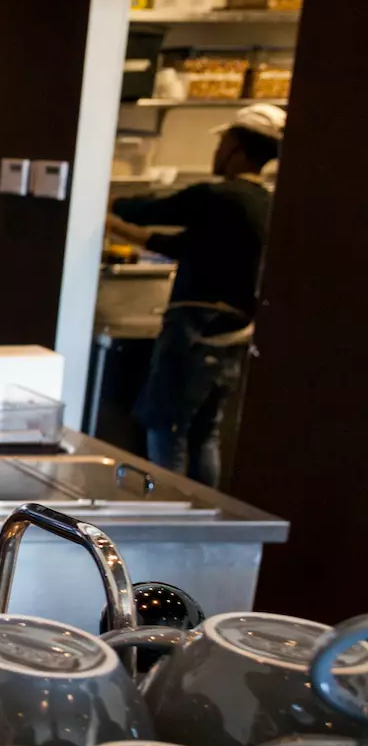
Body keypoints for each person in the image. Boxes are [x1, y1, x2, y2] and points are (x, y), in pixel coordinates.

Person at [105, 103, 281, 487]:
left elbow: (149, 210)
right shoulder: (266, 205)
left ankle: (170, 519)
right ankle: (202, 521)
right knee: (205, 433)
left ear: (236, 147)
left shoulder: (218, 197)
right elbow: (182, 245)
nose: (217, 152)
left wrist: (109, 204)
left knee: (166, 426)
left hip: (194, 330)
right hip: (235, 332)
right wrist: (116, 228)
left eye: (222, 143)